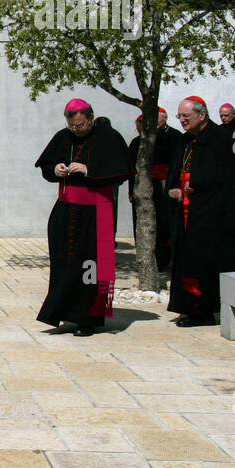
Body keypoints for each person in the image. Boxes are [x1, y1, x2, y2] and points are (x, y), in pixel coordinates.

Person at [35, 99, 131, 336]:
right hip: (66, 210)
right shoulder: (63, 136)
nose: (76, 130)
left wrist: (89, 170)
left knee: (91, 266)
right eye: (72, 126)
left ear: (90, 117)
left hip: (96, 211)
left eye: (80, 125)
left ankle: (88, 318)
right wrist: (56, 169)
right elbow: (46, 165)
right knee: (64, 264)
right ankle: (66, 313)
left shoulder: (108, 137)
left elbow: (122, 169)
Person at [166, 96, 235, 326]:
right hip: (186, 211)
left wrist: (198, 185)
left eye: (186, 116)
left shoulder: (221, 139)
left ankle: (202, 310)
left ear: (202, 115)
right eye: (179, 116)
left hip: (209, 213)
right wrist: (173, 186)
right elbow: (176, 168)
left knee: (202, 262)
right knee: (184, 259)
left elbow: (228, 177)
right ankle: (188, 305)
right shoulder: (184, 140)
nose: (181, 120)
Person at [126, 107, 177, 270]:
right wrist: (131, 190)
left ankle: (164, 259)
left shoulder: (174, 137)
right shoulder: (136, 142)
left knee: (163, 223)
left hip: (163, 185)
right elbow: (131, 169)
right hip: (142, 185)